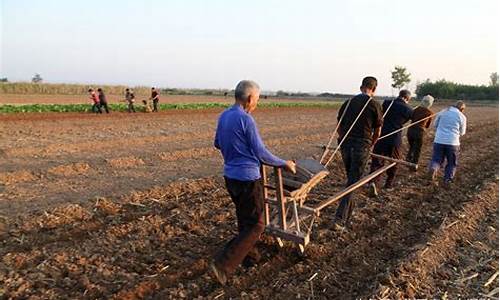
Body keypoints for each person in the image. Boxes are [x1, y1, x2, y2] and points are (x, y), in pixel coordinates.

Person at [210, 80, 296, 285]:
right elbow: (260, 152)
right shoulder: (246, 119)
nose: (256, 103)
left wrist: (234, 151)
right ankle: (223, 264)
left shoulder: (224, 116)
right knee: (257, 225)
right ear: (249, 98)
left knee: (244, 218)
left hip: (230, 176)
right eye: (257, 99)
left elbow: (217, 143)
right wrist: (284, 163)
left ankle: (250, 257)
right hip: (248, 177)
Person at [333, 76, 383, 230]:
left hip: (346, 145)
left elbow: (339, 126)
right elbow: (378, 131)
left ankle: (347, 214)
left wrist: (342, 140)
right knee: (353, 182)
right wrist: (372, 143)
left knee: (352, 179)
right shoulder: (375, 104)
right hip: (362, 145)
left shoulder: (347, 103)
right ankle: (339, 220)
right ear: (374, 89)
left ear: (361, 87)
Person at [369, 90, 413, 196]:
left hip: (382, 136)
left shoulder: (387, 103)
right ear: (407, 98)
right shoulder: (408, 109)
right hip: (395, 139)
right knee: (394, 161)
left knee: (377, 160)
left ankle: (373, 181)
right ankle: (388, 184)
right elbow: (406, 120)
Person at [428, 101, 467, 186]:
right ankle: (447, 180)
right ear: (462, 109)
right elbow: (462, 132)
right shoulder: (462, 116)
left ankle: (433, 168)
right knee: (451, 162)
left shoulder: (442, 112)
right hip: (453, 142)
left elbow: (435, 125)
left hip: (438, 140)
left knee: (436, 159)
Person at [406, 95, 434, 166]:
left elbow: (411, 118)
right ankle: (414, 164)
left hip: (410, 131)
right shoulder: (430, 113)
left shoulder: (416, 109)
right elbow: (427, 125)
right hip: (419, 132)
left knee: (412, 146)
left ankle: (408, 159)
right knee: (417, 149)